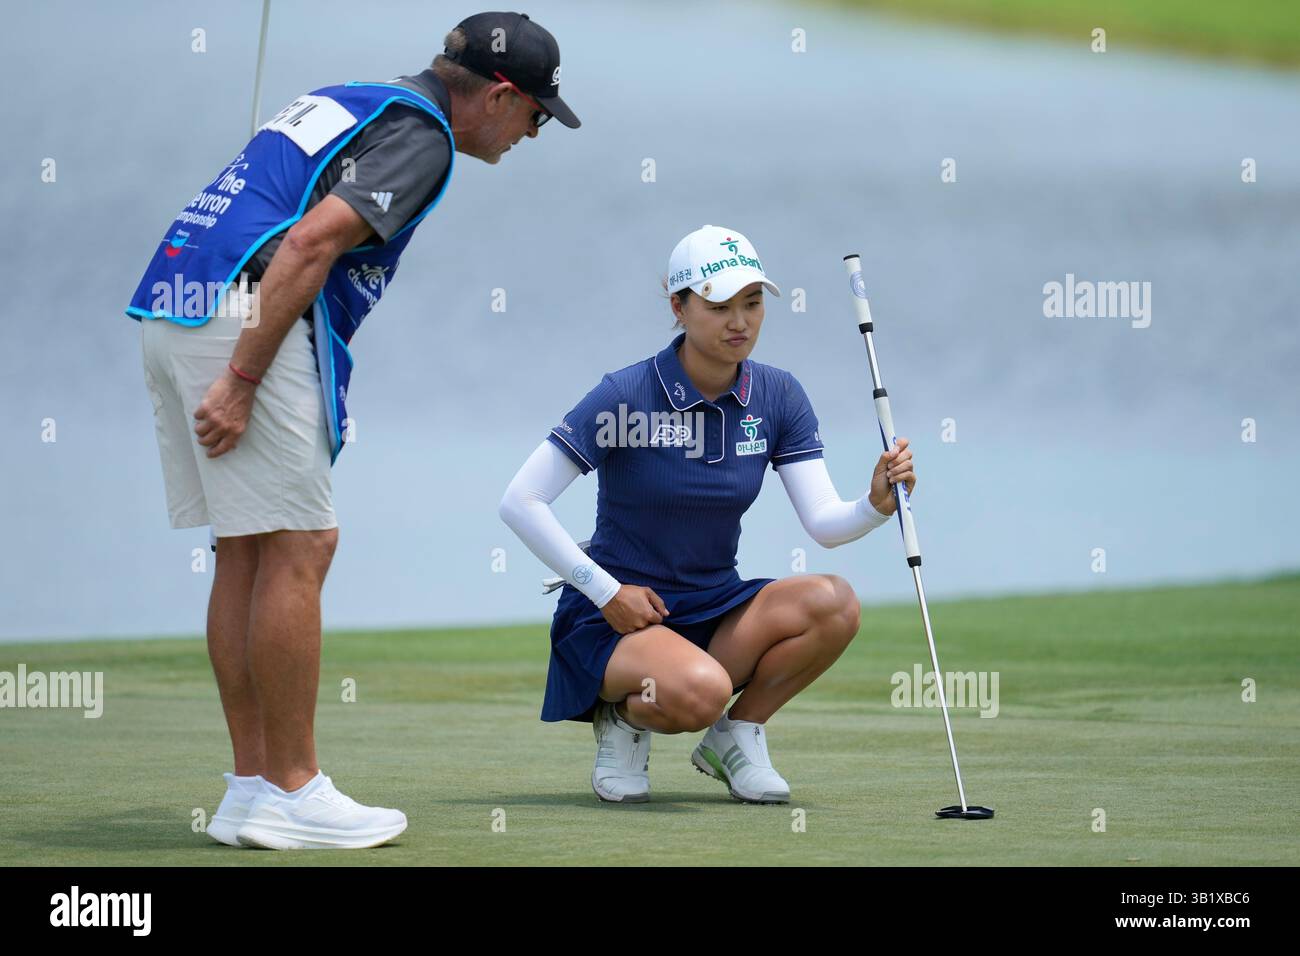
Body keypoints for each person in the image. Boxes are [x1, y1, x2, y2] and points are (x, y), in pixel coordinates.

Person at [125, 12, 580, 849]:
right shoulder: (427, 137)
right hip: (241, 319)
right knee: (303, 545)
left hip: (176, 306)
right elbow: (307, 245)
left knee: (250, 548)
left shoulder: (354, 96)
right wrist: (243, 380)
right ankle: (295, 789)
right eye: (536, 115)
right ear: (500, 96)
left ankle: (251, 791)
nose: (533, 133)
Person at [498, 225, 916, 804]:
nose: (739, 322)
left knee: (835, 603)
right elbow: (520, 501)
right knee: (698, 691)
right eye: (719, 306)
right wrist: (604, 591)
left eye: (752, 303)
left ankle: (735, 734)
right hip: (616, 614)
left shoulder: (778, 396)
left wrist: (873, 505)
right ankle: (623, 720)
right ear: (679, 306)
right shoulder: (626, 394)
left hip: (711, 604)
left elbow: (823, 522)